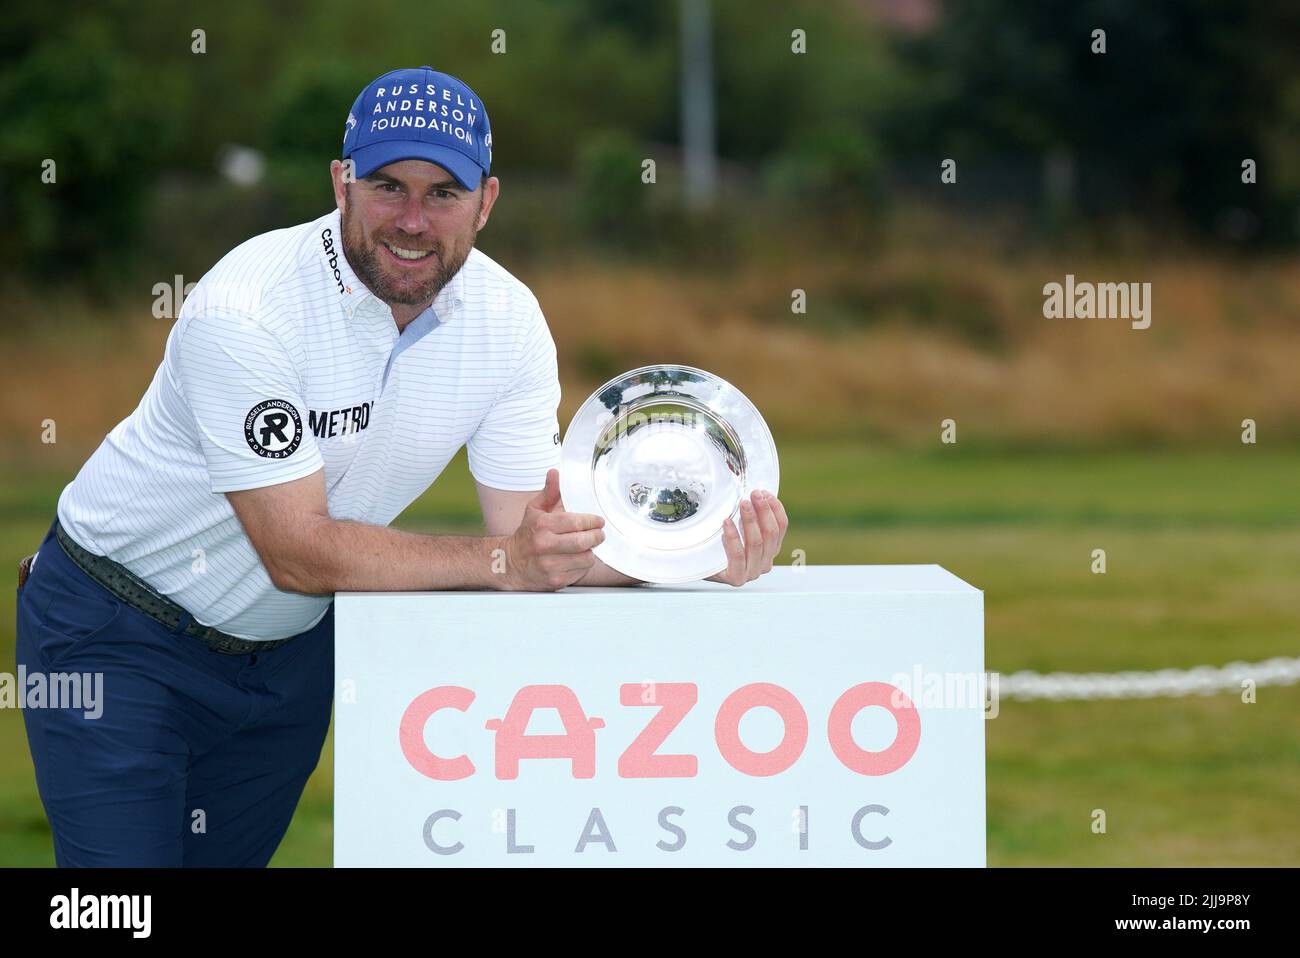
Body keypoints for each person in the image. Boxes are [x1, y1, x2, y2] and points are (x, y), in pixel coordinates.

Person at [14, 66, 789, 867]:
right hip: (119, 631)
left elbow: (538, 540)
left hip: (289, 659)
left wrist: (692, 552)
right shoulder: (244, 309)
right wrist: (502, 563)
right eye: (388, 185)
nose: (412, 221)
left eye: (443, 193)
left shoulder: (510, 320)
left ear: (486, 202)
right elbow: (296, 550)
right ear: (341, 183)